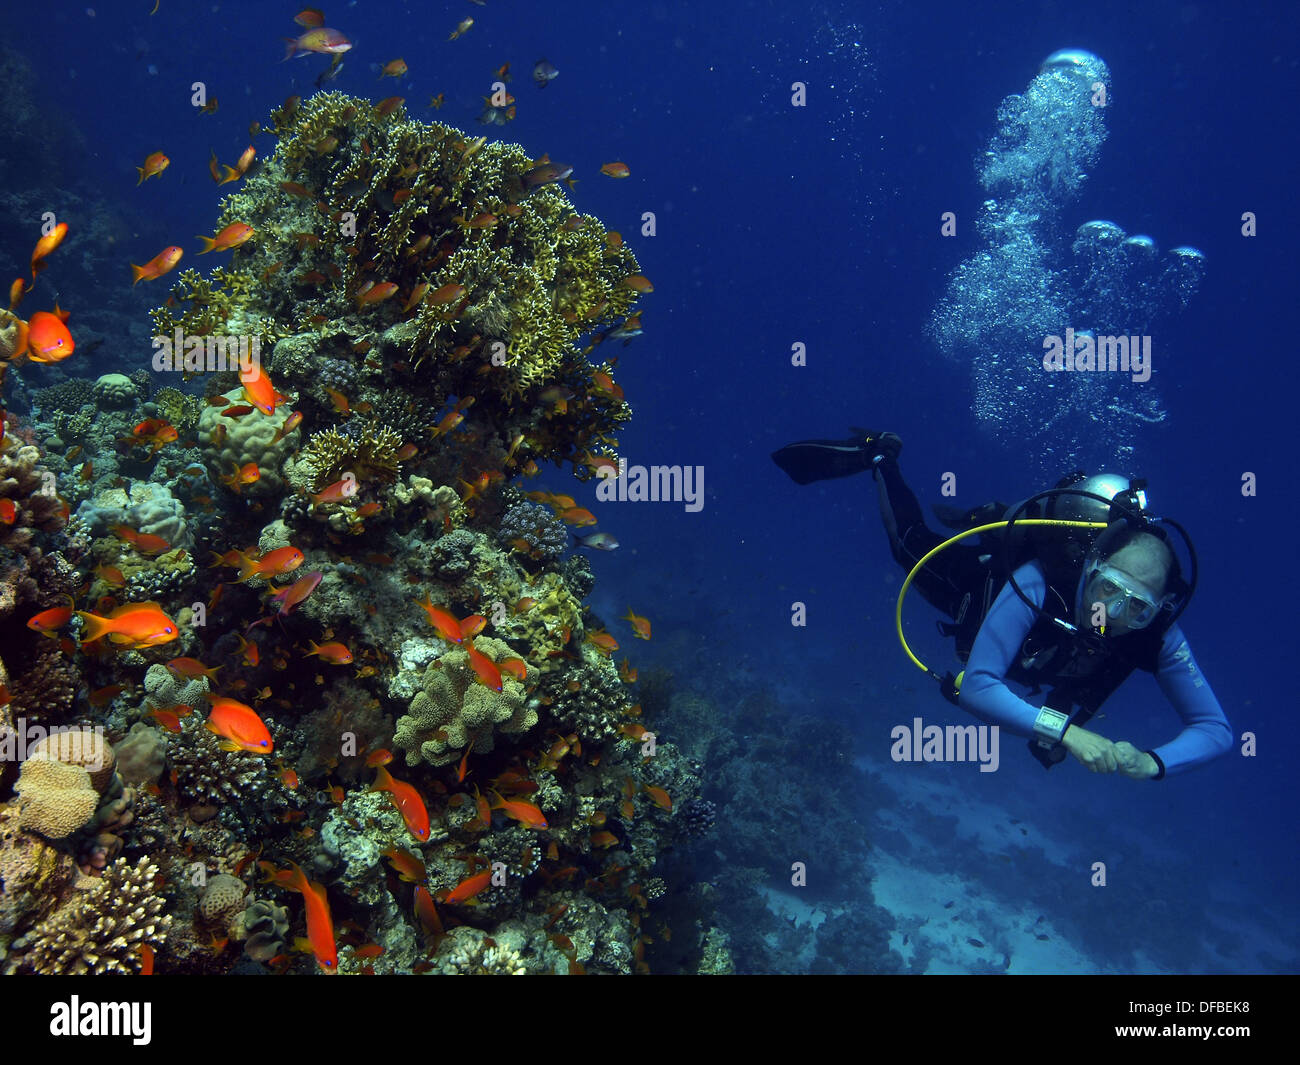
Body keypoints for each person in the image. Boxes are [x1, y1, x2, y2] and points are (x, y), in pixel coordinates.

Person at [772, 429, 1232, 777]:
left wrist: (1153, 763)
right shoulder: (1039, 581)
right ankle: (880, 456)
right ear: (1091, 567)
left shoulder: (1158, 636)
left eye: (1138, 608)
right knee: (909, 544)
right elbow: (978, 687)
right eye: (1109, 589)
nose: (1112, 615)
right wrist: (1067, 732)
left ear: (1158, 609)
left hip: (1038, 658)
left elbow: (1215, 729)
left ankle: (987, 513)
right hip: (974, 591)